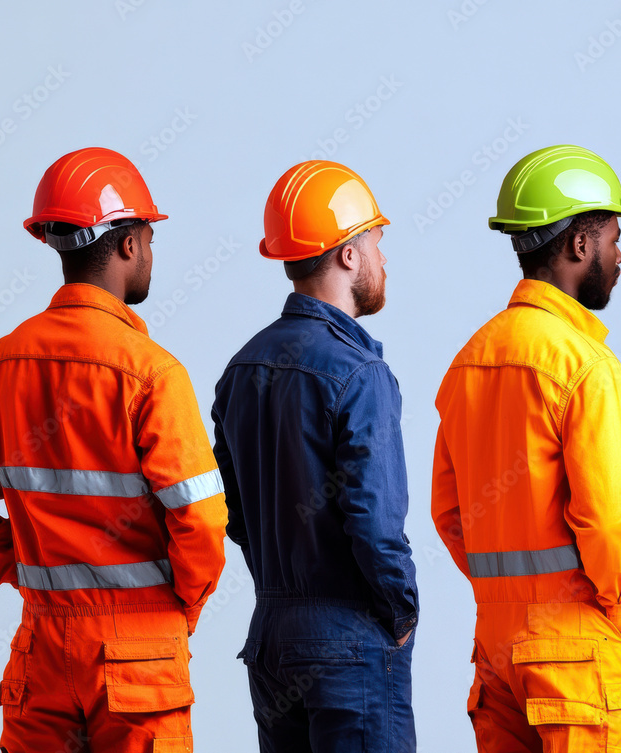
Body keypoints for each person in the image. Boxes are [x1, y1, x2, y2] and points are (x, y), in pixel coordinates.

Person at [0, 147, 227, 753]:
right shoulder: (152, 374)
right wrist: (180, 609)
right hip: (139, 655)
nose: (149, 253)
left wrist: (17, 566)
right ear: (127, 244)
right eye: (148, 237)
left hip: (42, 651)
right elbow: (200, 517)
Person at [432, 145, 621, 752]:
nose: (619, 254)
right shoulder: (586, 366)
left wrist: (505, 597)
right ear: (580, 245)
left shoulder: (470, 359)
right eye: (612, 236)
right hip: (576, 655)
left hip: (498, 651)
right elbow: (610, 520)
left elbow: (449, 515)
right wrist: (615, 620)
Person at [212, 160, 418, 752]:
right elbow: (376, 525)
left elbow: (238, 514)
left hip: (273, 635)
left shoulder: (242, 369)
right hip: (349, 640)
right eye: (376, 242)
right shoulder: (360, 374)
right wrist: (400, 613)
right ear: (347, 255)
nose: (384, 259)